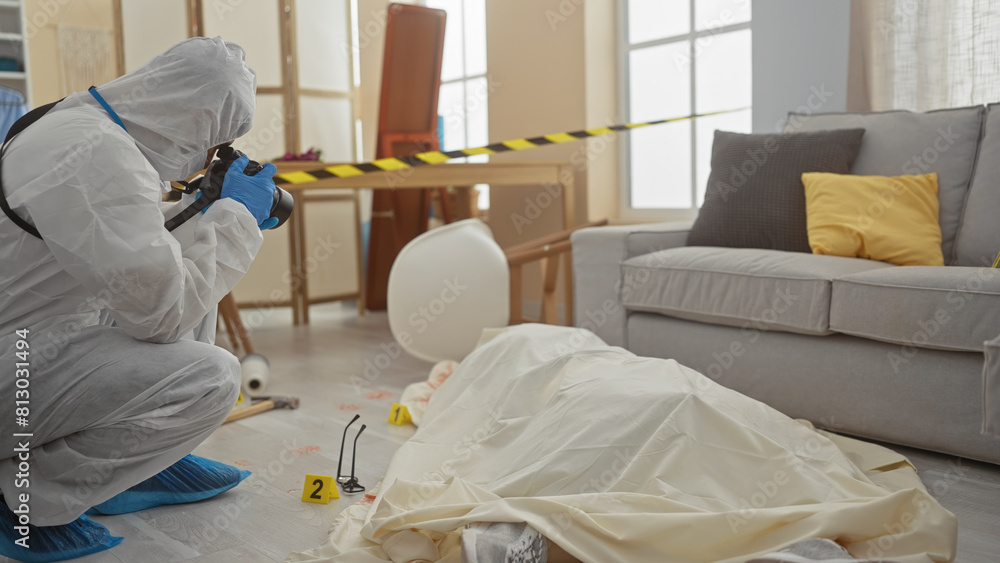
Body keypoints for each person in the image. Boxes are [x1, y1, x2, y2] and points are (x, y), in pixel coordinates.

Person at [0, 37, 279, 561]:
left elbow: (130, 255)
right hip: (11, 371)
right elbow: (162, 315)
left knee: (190, 260)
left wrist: (204, 212)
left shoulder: (79, 125)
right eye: (216, 137)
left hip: (27, 337)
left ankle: (143, 460)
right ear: (194, 115)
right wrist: (236, 218)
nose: (210, 152)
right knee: (211, 377)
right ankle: (22, 497)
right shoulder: (97, 156)